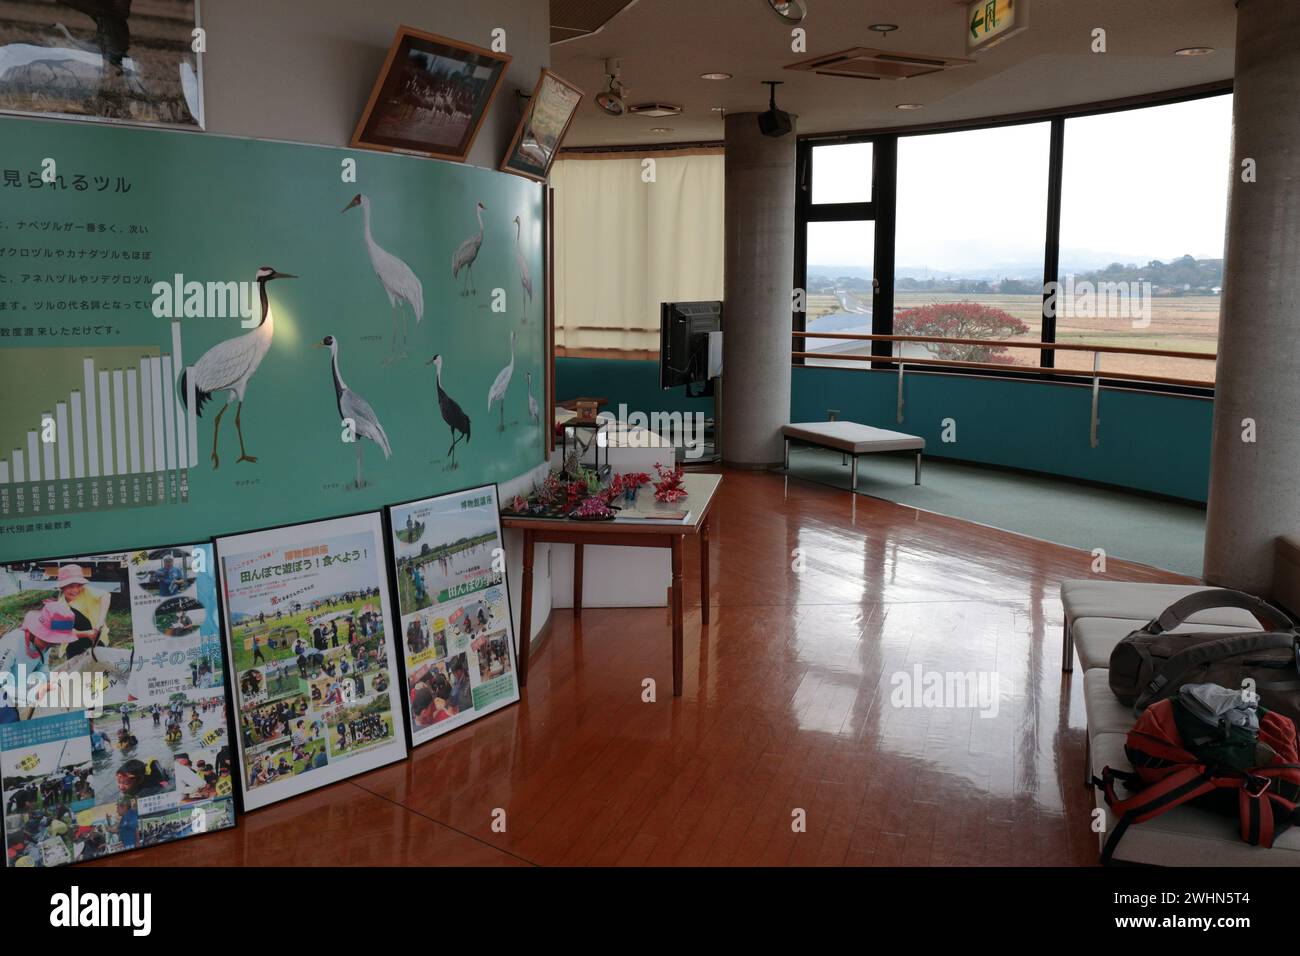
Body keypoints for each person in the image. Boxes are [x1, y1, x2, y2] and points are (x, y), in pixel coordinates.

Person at [0, 600, 79, 722]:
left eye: (54, 643)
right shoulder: (11, 645)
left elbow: (42, 666)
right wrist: (33, 694)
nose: (48, 646)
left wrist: (50, 683)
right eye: (46, 640)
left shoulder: (44, 645)